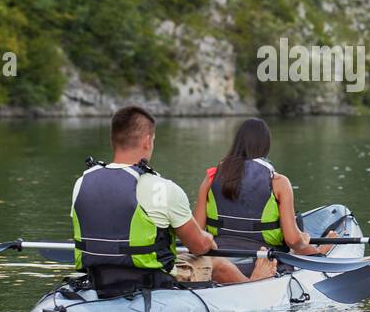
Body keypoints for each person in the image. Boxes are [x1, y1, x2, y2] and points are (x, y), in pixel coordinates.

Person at [70, 105, 242, 296]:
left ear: (113, 141)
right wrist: (209, 239)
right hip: (152, 281)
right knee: (216, 262)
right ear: (147, 141)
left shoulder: (82, 182)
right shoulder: (163, 188)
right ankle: (255, 284)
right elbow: (198, 246)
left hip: (98, 278)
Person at [194, 117, 335, 284]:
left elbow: (196, 233)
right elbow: (292, 240)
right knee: (298, 245)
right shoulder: (278, 182)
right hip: (263, 261)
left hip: (217, 261)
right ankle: (322, 254)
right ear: (266, 146)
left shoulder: (211, 178)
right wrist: (306, 241)